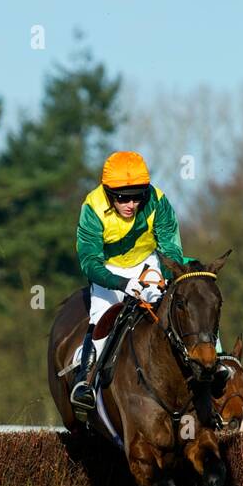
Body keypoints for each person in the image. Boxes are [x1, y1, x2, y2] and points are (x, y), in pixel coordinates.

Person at [71, 151, 184, 415]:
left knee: (177, 311)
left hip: (148, 264)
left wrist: (165, 279)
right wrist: (121, 283)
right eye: (123, 197)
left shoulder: (157, 201)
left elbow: (171, 249)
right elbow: (89, 262)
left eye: (137, 196)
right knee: (101, 320)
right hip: (107, 270)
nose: (131, 204)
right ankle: (84, 384)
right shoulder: (92, 208)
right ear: (109, 192)